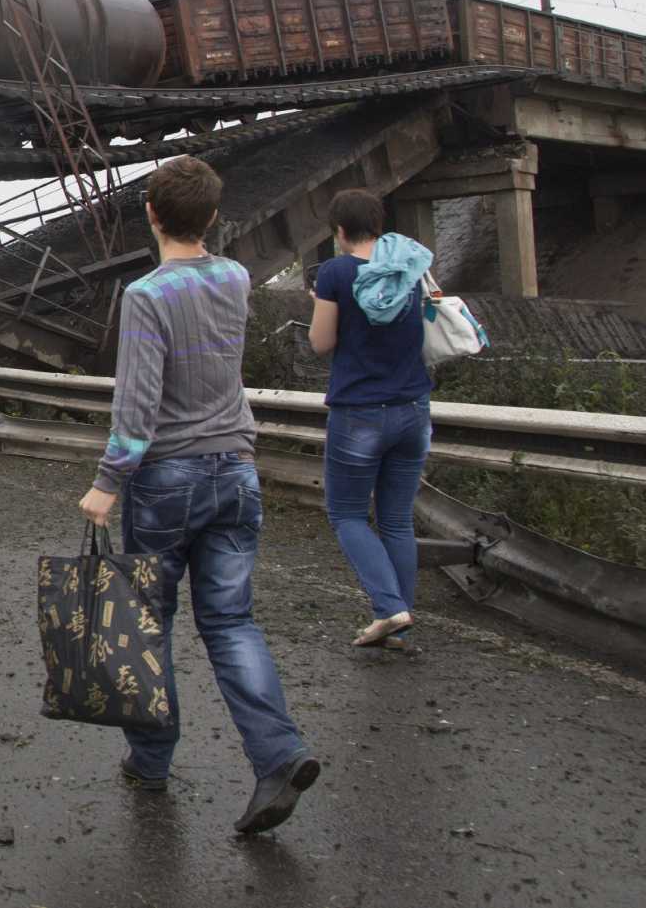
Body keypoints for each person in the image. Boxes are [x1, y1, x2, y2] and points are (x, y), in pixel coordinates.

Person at [77, 155, 318, 834]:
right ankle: (278, 754)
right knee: (232, 622)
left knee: (148, 622)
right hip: (236, 471)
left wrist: (106, 483)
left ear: (150, 213)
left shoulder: (146, 296)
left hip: (167, 480)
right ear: (212, 217)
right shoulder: (235, 277)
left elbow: (138, 403)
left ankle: (151, 760)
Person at [309, 189, 434, 650]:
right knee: (397, 520)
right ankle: (400, 619)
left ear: (340, 231)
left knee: (347, 514)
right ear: (379, 224)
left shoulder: (336, 272)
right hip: (414, 409)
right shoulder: (408, 266)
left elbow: (321, 343)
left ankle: (388, 606)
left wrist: (322, 302)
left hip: (360, 412)